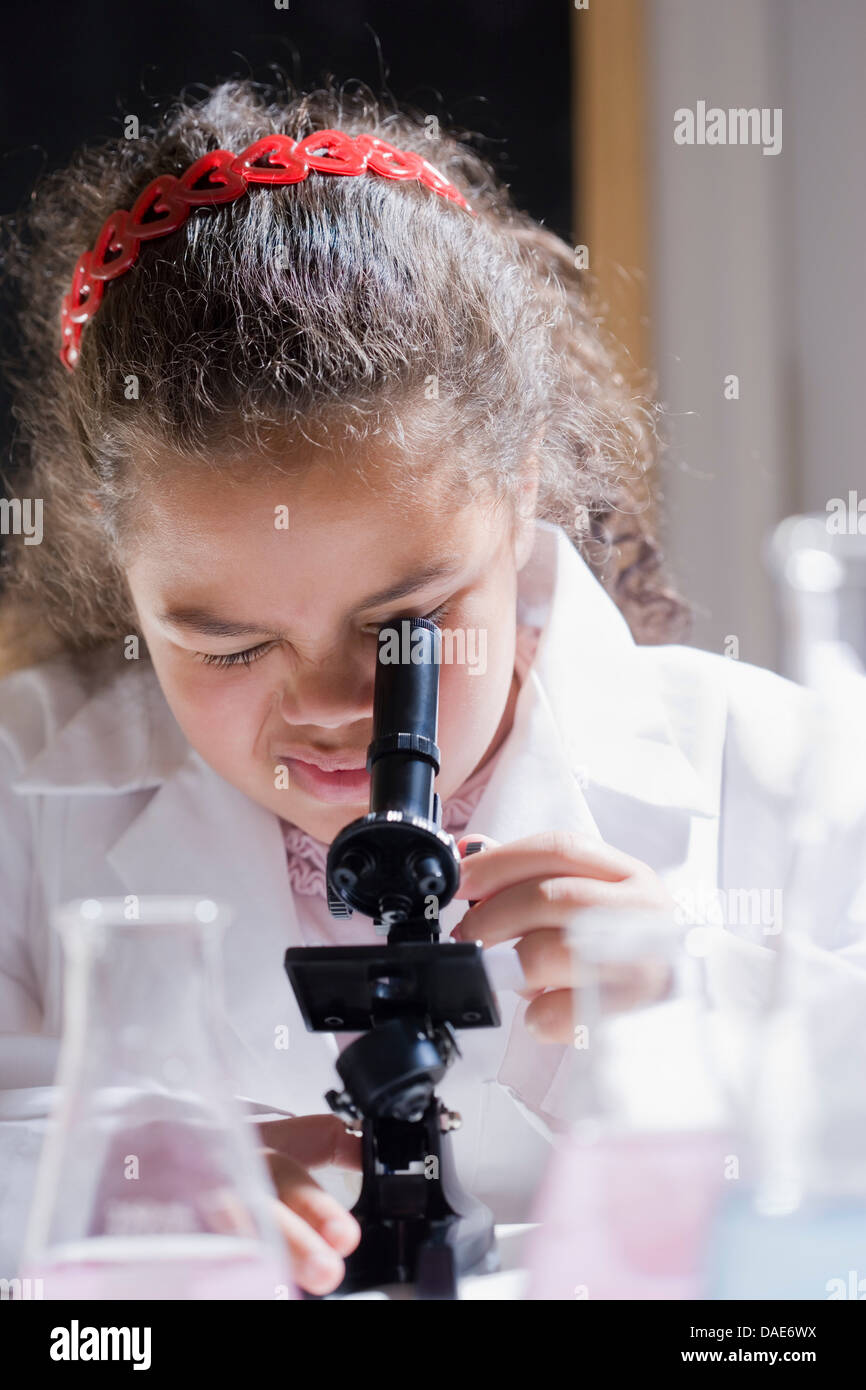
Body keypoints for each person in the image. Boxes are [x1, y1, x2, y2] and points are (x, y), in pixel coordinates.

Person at [0, 76, 864, 1296]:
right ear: (120, 566)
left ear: (517, 486)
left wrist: (686, 1019)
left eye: (404, 625)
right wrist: (114, 1177)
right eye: (230, 647)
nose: (329, 706)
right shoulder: (24, 795)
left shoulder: (796, 774)